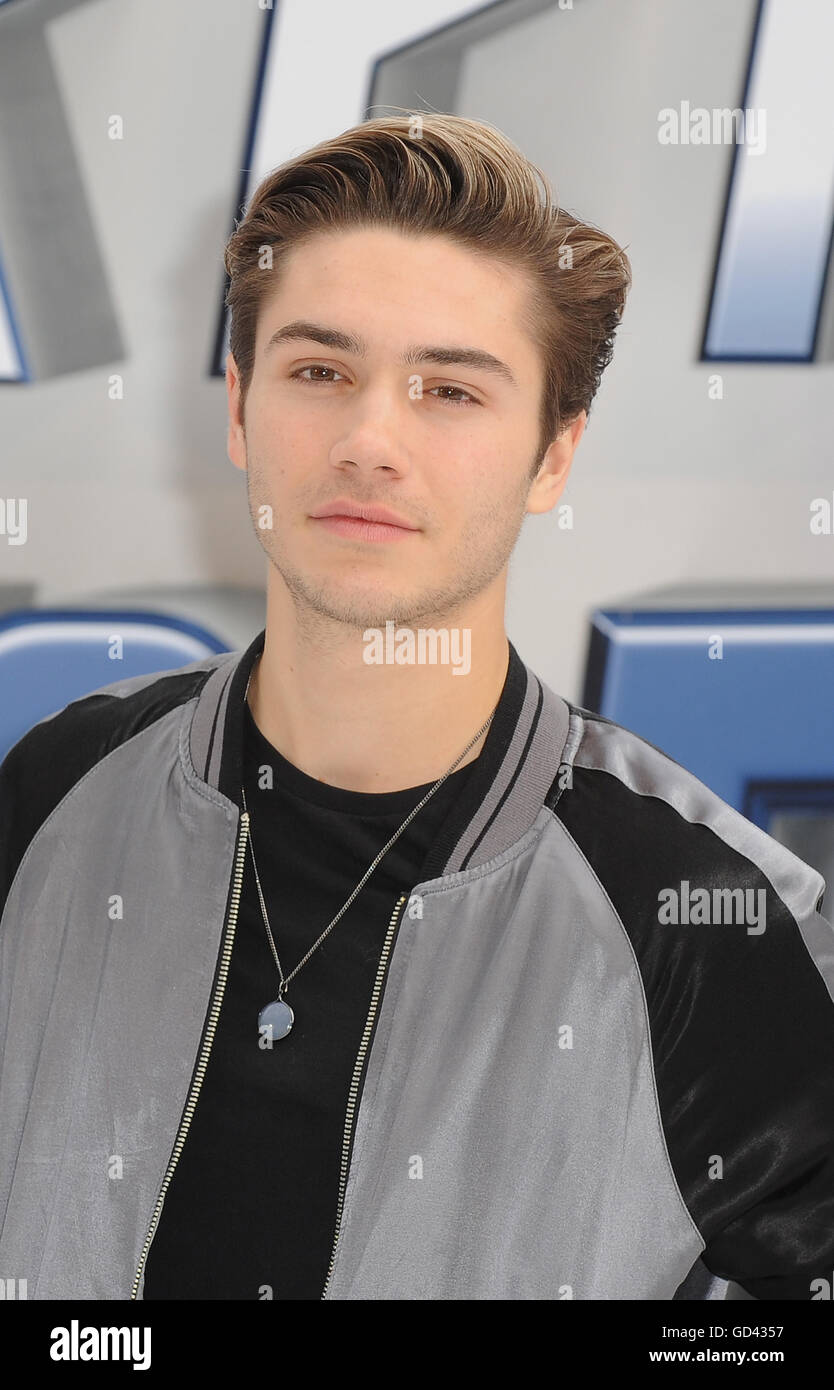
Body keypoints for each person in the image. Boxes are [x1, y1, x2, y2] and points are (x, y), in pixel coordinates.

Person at [1, 113, 832, 1302]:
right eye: (320, 371)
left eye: (449, 389)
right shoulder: (54, 789)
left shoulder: (707, 921)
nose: (369, 440)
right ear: (239, 408)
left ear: (554, 456)